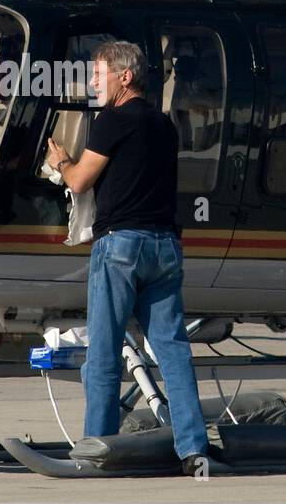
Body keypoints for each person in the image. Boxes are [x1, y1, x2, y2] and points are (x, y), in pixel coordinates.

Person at [44, 40, 208, 474]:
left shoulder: (111, 121)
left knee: (103, 353)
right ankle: (193, 449)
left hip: (120, 247)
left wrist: (61, 162)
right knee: (173, 351)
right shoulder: (164, 125)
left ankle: (95, 449)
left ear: (125, 76)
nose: (93, 82)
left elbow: (80, 182)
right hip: (165, 246)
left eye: (99, 74)